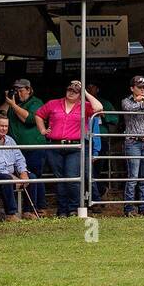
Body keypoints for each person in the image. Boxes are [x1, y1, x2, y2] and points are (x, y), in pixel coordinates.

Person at [34, 79, 102, 218]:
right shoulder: (53, 103)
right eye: (70, 90)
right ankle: (62, 210)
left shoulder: (84, 105)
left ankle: (73, 208)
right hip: (55, 144)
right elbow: (39, 114)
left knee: (72, 178)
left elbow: (99, 108)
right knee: (60, 179)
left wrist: (85, 92)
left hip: (75, 145)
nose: (71, 93)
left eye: (75, 91)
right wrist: (42, 130)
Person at [5, 79, 49, 216]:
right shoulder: (14, 104)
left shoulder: (36, 102)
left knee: (35, 176)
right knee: (25, 176)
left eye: (21, 90)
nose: (18, 93)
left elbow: (29, 118)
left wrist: (12, 104)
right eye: (16, 90)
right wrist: (8, 101)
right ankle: (28, 208)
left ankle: (40, 207)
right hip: (18, 149)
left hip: (34, 147)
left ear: (29, 90)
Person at [120, 76, 144, 217]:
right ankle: (129, 209)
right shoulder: (126, 101)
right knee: (133, 177)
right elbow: (130, 109)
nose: (142, 89)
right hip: (133, 141)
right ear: (132, 88)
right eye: (139, 87)